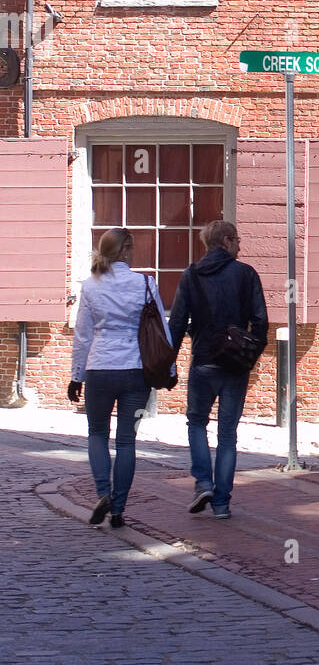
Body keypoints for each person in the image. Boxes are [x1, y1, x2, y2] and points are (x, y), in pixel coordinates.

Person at [69, 227, 174, 529]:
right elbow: (160, 329)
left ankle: (103, 492)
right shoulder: (145, 283)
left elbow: (83, 334)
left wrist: (77, 375)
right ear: (127, 249)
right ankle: (118, 509)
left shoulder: (90, 286)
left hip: (100, 367)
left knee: (97, 434)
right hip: (135, 370)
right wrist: (169, 369)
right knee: (127, 441)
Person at [168, 220, 268, 519]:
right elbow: (261, 320)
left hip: (203, 360)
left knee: (197, 423)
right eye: (237, 239)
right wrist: (252, 351)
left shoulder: (191, 275)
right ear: (226, 240)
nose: (241, 245)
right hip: (235, 364)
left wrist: (169, 361)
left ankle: (202, 482)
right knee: (228, 434)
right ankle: (222, 503)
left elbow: (176, 323)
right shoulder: (245, 273)